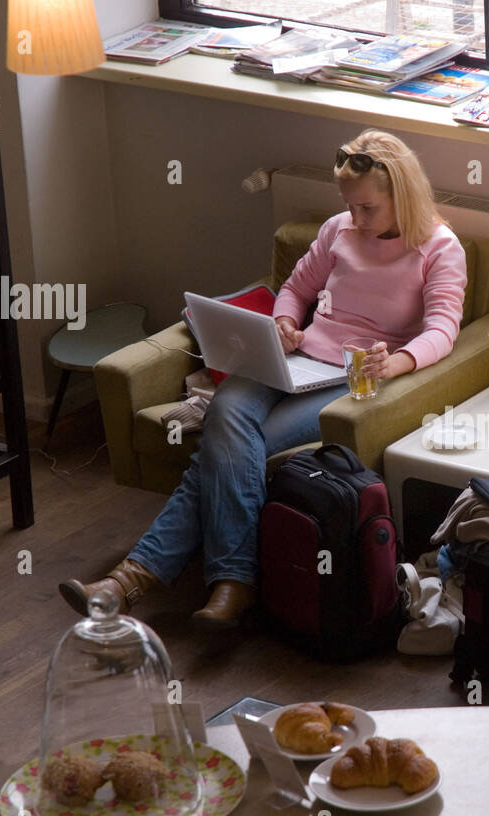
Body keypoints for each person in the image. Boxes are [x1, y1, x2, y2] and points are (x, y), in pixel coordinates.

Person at [61, 130, 467, 626]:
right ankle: (225, 584)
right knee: (229, 419)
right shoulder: (338, 229)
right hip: (292, 362)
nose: (355, 220)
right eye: (350, 207)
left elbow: (443, 330)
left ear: (401, 196)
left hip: (348, 377)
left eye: (367, 209)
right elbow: (294, 289)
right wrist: (285, 322)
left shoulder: (439, 248)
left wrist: (396, 362)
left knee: (226, 446)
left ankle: (141, 581)